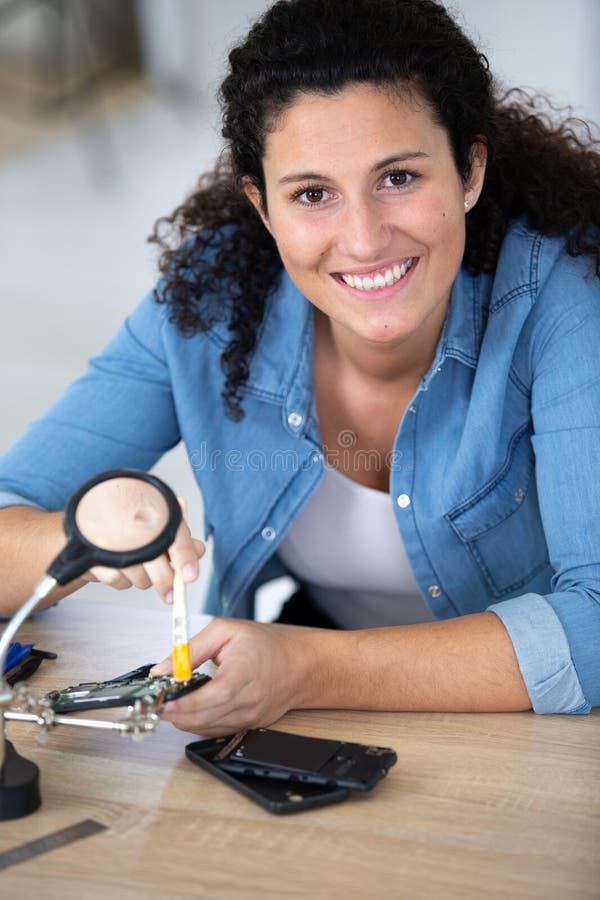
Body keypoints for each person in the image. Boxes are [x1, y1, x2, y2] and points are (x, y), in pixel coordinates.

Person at [0, 0, 599, 735]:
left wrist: (307, 668)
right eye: (312, 194)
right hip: (331, 726)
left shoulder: (564, 298)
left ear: (468, 171)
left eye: (400, 178)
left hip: (531, 737)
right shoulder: (211, 301)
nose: (363, 237)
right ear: (262, 205)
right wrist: (82, 534)